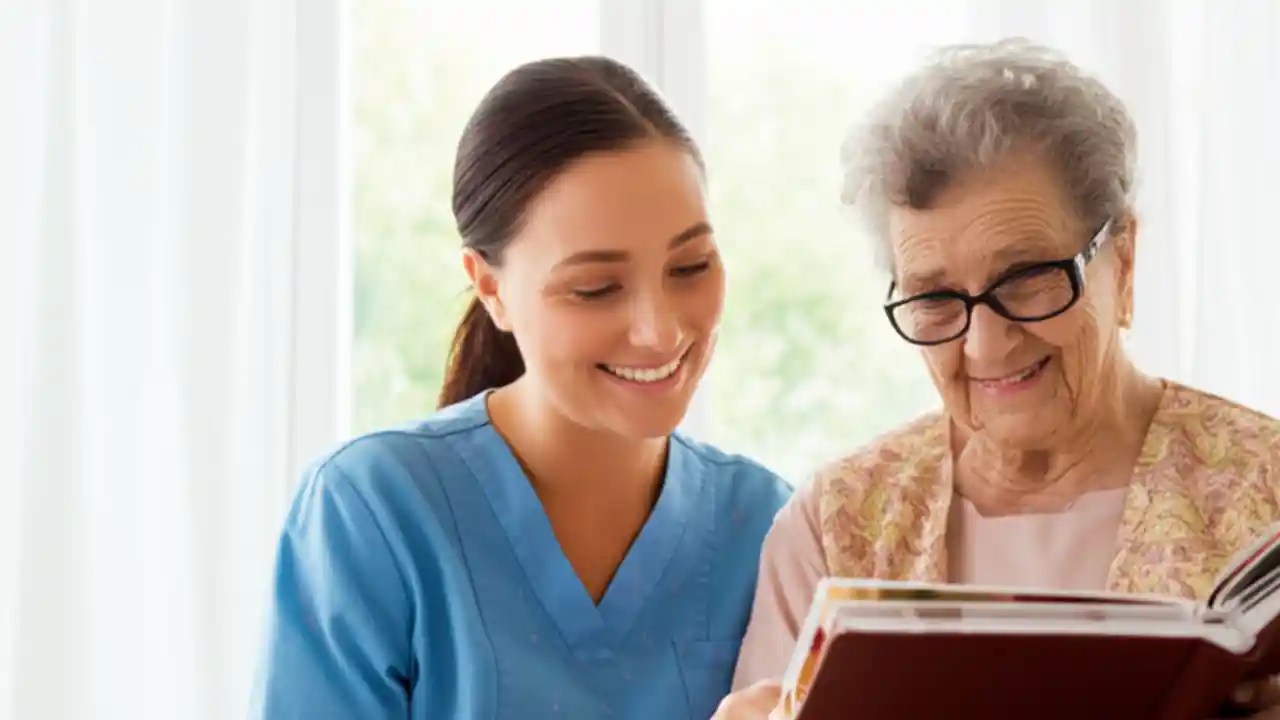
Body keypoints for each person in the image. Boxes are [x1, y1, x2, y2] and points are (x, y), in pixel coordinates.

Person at [715, 39, 1280, 719]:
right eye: (935, 298)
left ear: (1123, 263)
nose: (986, 344)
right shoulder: (836, 526)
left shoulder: (1266, 485)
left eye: (1028, 279)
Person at [250, 56, 791, 719]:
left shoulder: (767, 524)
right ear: (491, 288)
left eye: (691, 266)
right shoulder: (373, 512)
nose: (658, 330)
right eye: (595, 288)